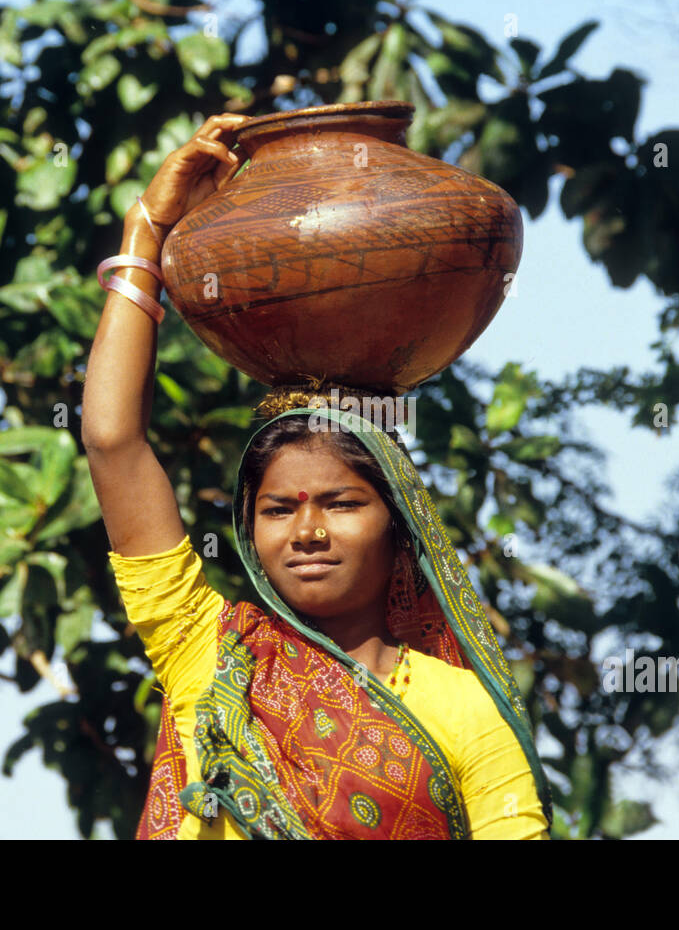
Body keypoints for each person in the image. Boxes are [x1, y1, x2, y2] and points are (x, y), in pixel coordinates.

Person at [83, 114, 552, 839]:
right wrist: (143, 234)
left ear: (399, 526)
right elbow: (113, 441)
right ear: (248, 526)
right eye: (278, 510)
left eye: (339, 503)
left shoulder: (461, 710)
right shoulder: (207, 654)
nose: (307, 531)